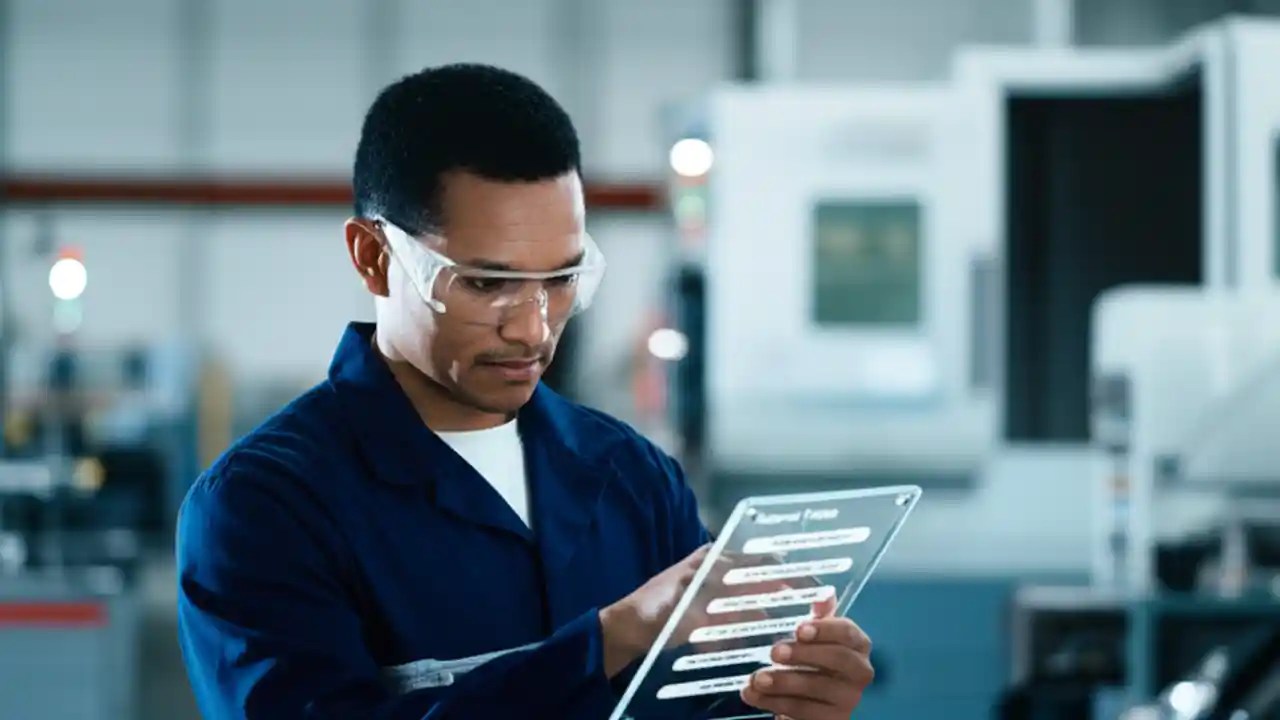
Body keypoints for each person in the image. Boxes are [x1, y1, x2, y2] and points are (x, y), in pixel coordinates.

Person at [176, 63, 874, 720]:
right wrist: (610, 639)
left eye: (561, 280)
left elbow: (690, 703)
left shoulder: (630, 476)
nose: (534, 329)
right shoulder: (264, 508)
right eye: (487, 284)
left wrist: (781, 701)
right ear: (375, 257)